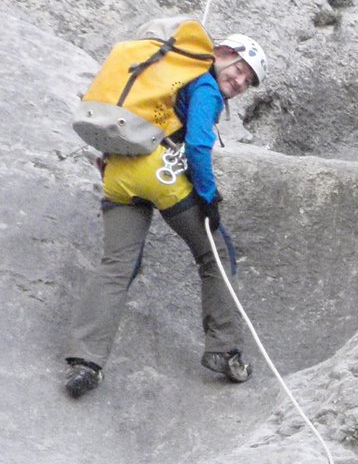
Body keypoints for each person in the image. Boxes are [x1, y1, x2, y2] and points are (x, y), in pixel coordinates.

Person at [63, 34, 268, 398]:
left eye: (247, 81)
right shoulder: (205, 86)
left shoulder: (168, 72)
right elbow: (198, 144)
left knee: (117, 265)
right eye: (240, 70)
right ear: (221, 53)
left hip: (119, 171)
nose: (239, 83)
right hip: (160, 174)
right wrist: (209, 197)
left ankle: (86, 362)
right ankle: (224, 351)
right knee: (216, 255)